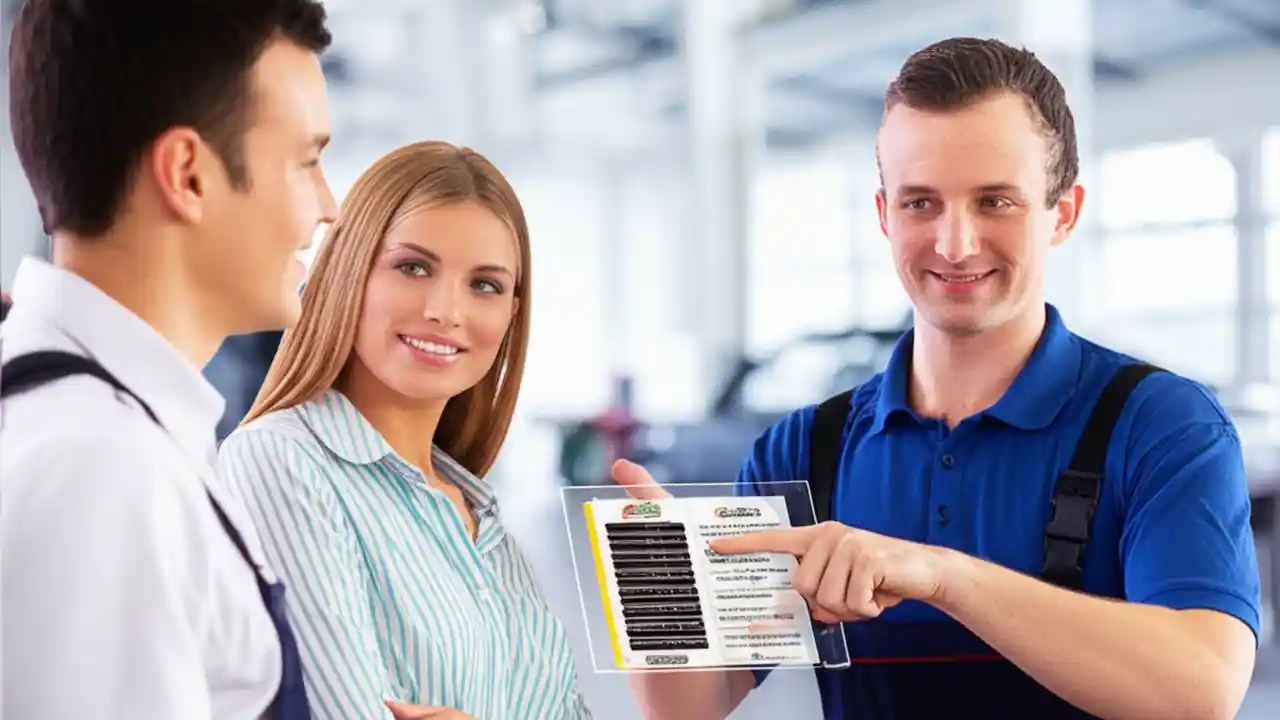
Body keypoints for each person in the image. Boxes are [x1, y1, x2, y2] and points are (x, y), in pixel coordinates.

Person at [612, 37, 1260, 720]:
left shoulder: (1162, 426)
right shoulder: (803, 450)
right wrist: (664, 591)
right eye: (921, 203)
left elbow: (1201, 687)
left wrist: (942, 575)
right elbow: (691, 709)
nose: (955, 244)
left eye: (995, 202)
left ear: (1062, 213)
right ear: (883, 215)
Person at [0, 1, 339, 718]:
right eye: (308, 161)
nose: (328, 206)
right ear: (187, 174)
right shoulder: (104, 473)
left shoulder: (105, 427)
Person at [215, 141, 592, 720]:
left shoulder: (483, 522)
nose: (447, 310)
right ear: (348, 270)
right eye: (413, 267)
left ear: (512, 312)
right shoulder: (279, 460)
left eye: (485, 285)